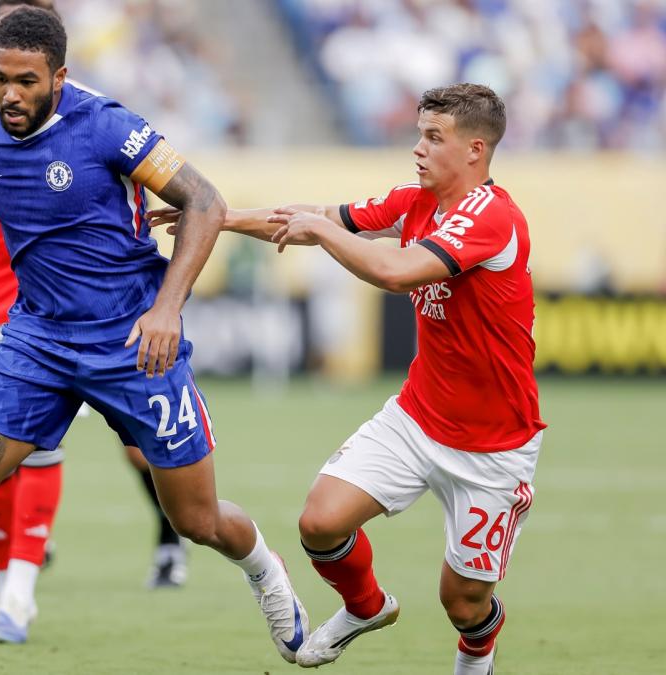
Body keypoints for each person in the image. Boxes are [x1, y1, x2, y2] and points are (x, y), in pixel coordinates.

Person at [0, 8, 307, 674]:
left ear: (59, 77)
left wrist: (166, 308)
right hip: (37, 340)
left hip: (131, 339)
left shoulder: (108, 125)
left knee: (198, 518)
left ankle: (268, 577)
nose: (10, 94)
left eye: (25, 81)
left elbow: (205, 203)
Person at [155, 83, 544, 674]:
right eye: (418, 133)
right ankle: (365, 606)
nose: (418, 148)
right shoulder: (415, 201)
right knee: (320, 521)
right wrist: (219, 218)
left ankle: (476, 659)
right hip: (417, 417)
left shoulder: (492, 217)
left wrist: (323, 233)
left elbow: (395, 271)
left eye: (434, 137)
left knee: (462, 602)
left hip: (493, 447)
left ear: (476, 150)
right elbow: (313, 218)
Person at [0, 0, 187, 645]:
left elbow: (185, 194)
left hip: (74, 306)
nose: (12, 82)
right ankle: (7, 590)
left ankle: (25, 592)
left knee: (73, 448)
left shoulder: (97, 114)